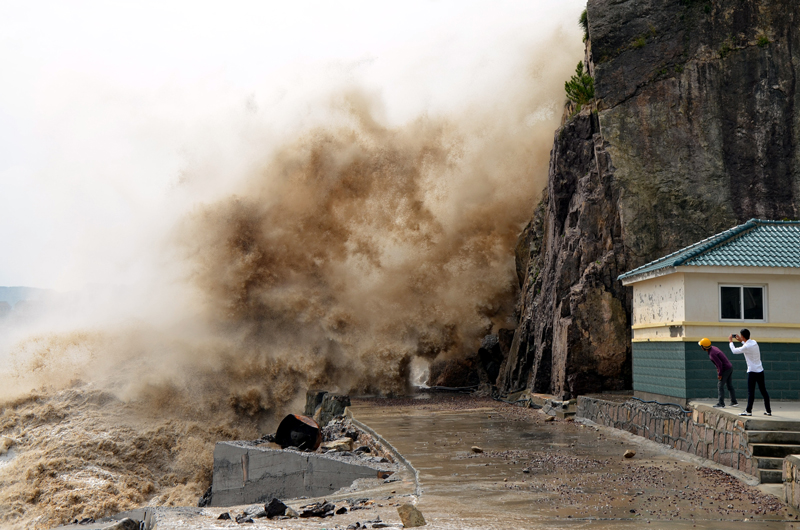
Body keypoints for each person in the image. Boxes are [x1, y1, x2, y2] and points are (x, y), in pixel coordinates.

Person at [729, 329, 771, 417]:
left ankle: (748, 411)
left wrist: (730, 342)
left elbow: (734, 351)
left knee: (751, 392)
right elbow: (747, 346)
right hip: (760, 370)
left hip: (752, 371)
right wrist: (742, 341)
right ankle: (768, 410)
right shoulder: (754, 342)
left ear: (743, 336)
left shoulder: (747, 346)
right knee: (763, 391)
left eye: (741, 336)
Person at [698, 337, 737, 408]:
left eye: (701, 346)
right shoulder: (713, 348)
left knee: (720, 385)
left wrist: (720, 374)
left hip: (725, 369)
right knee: (729, 385)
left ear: (704, 347)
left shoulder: (712, 354)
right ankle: (734, 401)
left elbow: (720, 364)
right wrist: (718, 369)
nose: (701, 347)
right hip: (729, 367)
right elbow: (719, 363)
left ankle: (721, 403)